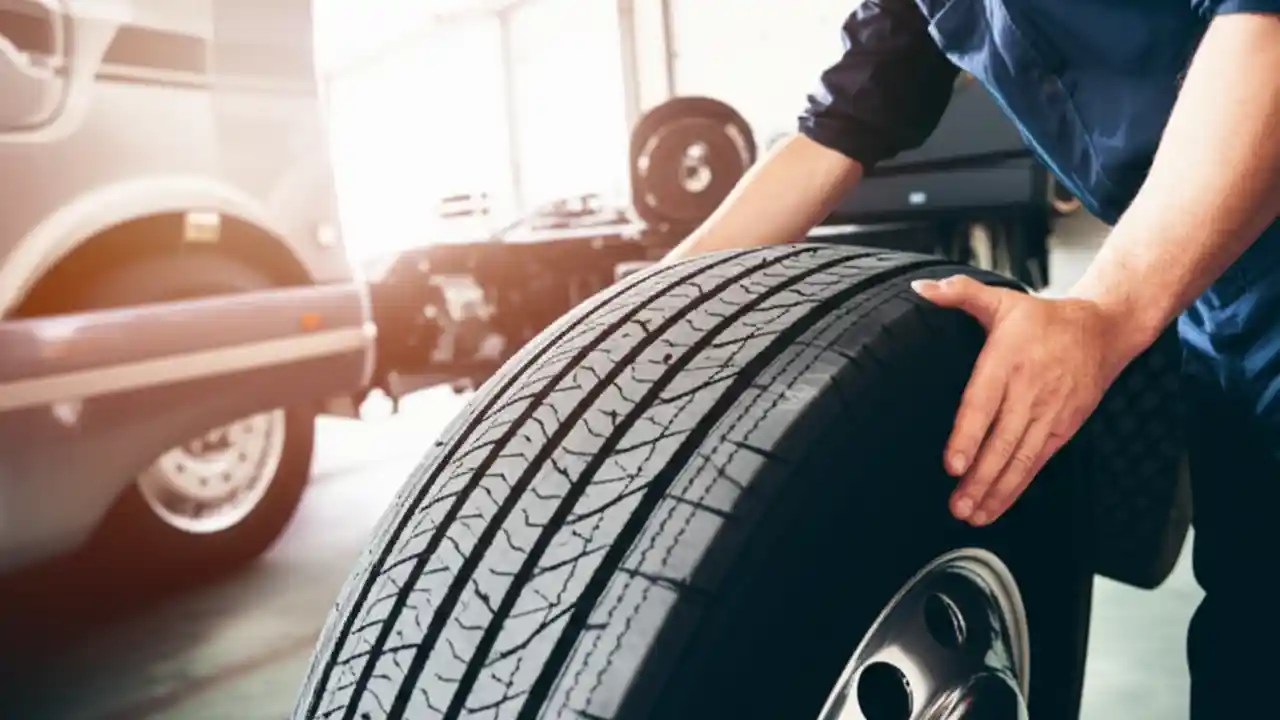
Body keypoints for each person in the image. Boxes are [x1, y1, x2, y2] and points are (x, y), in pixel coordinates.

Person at [663, 1, 1279, 715]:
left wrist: (1106, 309)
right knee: (1251, 627)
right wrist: (647, 326)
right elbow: (834, 130)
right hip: (1222, 302)